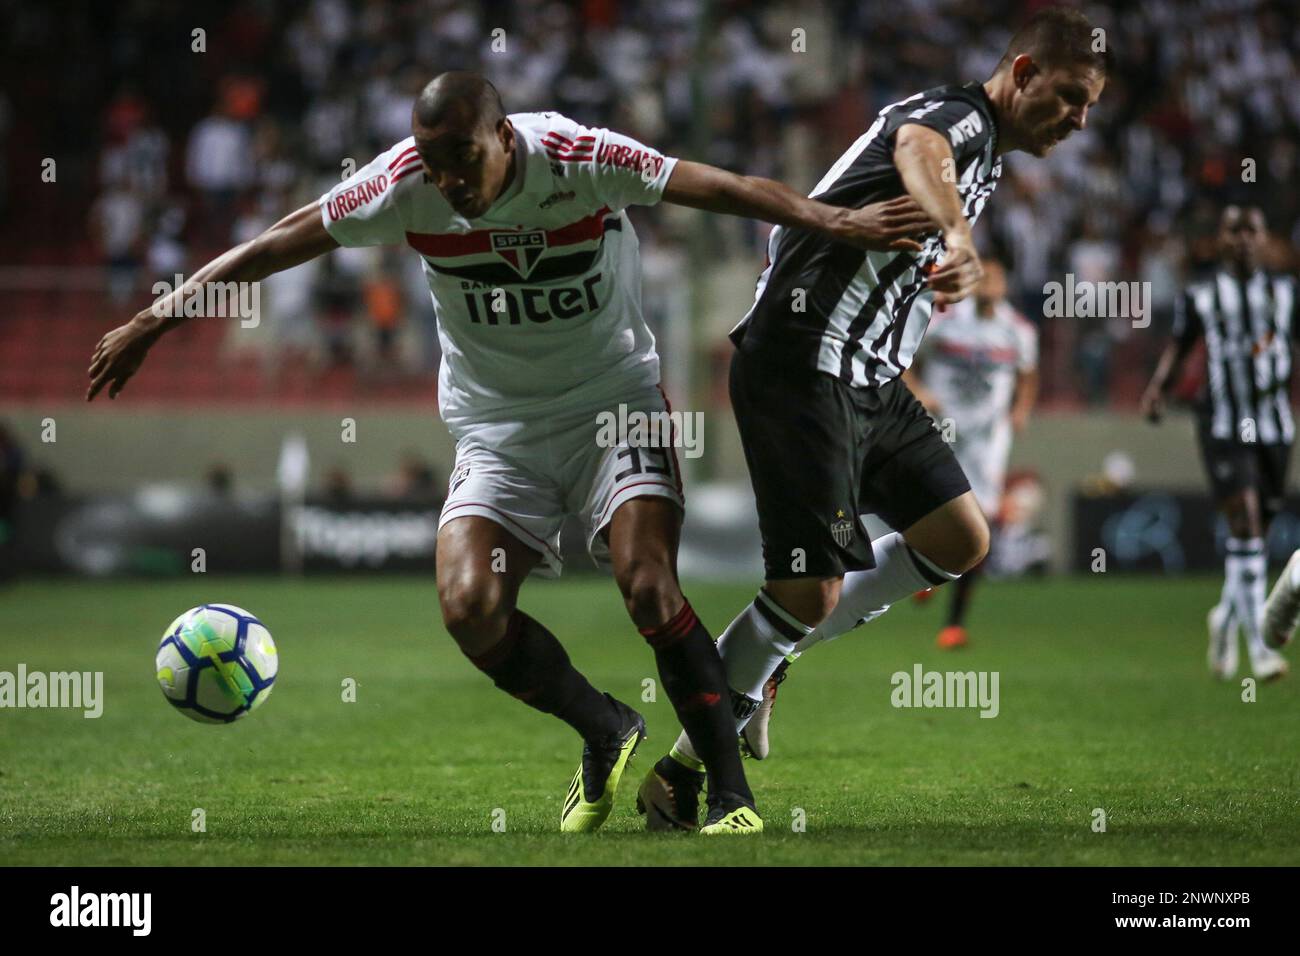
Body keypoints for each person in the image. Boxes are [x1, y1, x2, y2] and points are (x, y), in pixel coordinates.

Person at [87, 71, 935, 835]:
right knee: (468, 607)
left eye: (463, 158)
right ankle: (606, 727)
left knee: (648, 583)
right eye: (434, 160)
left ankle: (727, 794)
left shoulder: (578, 155)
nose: (448, 180)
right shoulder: (401, 186)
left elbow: (715, 186)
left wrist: (834, 218)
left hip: (615, 406)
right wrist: (155, 318)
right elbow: (283, 237)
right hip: (498, 429)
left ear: (505, 138)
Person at [638, 6, 1106, 828]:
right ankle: (680, 775)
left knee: (960, 539)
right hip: (802, 358)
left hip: (870, 374)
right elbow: (914, 148)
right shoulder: (960, 118)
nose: (1079, 118)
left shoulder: (990, 149)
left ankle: (770, 662)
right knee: (806, 592)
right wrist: (959, 233)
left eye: (1091, 106)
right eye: (1070, 96)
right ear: (1023, 73)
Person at [1140, 204, 1292, 682]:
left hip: (1276, 428)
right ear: (1220, 240)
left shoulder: (1287, 293)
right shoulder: (1202, 293)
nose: (1243, 239)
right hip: (1223, 425)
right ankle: (1260, 648)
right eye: (1234, 231)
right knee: (1244, 523)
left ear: (1264, 239)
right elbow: (1180, 346)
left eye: (1252, 231)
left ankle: (1223, 620)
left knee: (1255, 537)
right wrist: (1159, 388)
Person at [905, 259, 1038, 650]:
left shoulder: (1018, 330)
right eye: (984, 277)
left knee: (982, 524)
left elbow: (1029, 375)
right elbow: (906, 361)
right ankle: (927, 569)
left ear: (1006, 286)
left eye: (997, 278)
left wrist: (1021, 410)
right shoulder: (945, 320)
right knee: (929, 508)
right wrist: (920, 392)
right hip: (941, 428)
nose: (990, 285)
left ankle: (954, 625)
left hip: (987, 438)